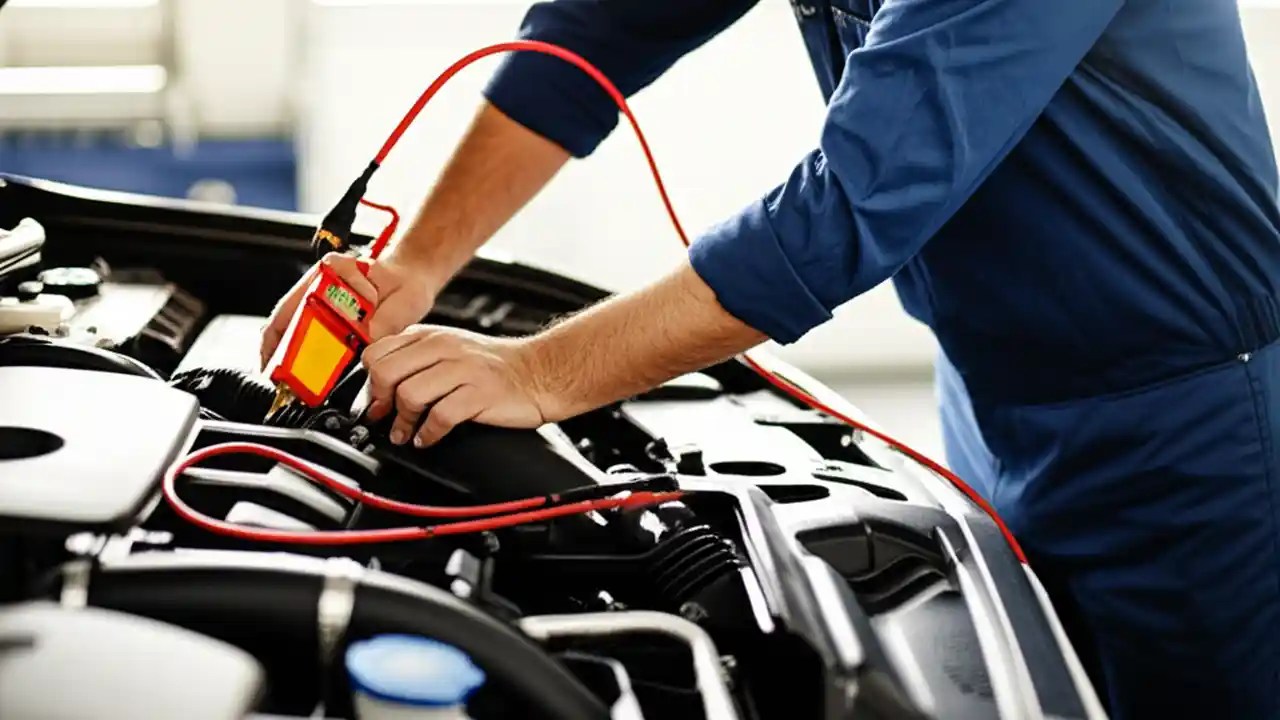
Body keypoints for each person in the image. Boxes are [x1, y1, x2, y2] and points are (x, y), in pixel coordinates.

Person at [262, 1, 1280, 717]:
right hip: (986, 396)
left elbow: (855, 200)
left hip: (1187, 425)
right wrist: (418, 264)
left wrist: (532, 375)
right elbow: (592, 35)